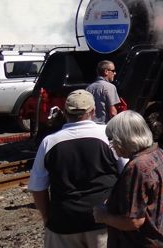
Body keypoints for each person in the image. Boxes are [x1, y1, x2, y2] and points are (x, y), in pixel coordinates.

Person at [28, 90, 125, 248]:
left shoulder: (49, 142)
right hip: (104, 219)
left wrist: (47, 217)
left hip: (64, 221)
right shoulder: (108, 135)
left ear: (65, 112)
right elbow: (128, 172)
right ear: (92, 111)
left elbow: (37, 187)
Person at [93, 111, 163, 247]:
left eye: (112, 139)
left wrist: (103, 216)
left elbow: (134, 221)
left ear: (124, 138)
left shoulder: (137, 166)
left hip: (150, 242)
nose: (111, 145)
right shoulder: (158, 152)